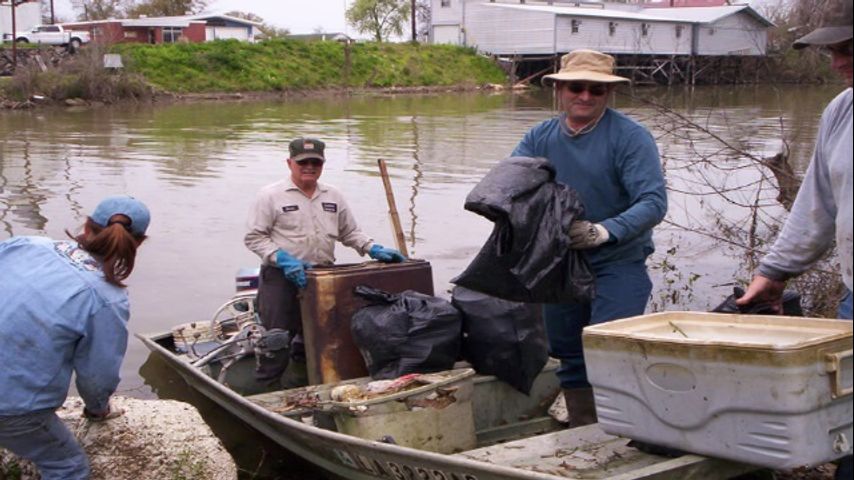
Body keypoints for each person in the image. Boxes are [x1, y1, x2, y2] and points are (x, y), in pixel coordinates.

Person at [512, 49, 667, 427]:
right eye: (576, 87)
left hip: (618, 263)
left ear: (608, 94)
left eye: (595, 90)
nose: (585, 96)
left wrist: (604, 231)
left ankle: (629, 431)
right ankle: (584, 430)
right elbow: (513, 181)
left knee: (610, 348)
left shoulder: (631, 138)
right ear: (560, 90)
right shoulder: (539, 136)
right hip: (561, 264)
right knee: (568, 351)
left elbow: (653, 202)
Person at [737, 2, 852, 478]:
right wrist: (774, 272)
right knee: (849, 431)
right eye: (832, 50)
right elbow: (817, 206)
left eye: (848, 48)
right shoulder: (841, 110)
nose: (837, 61)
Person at [0, 195, 151, 480]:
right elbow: (97, 378)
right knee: (68, 466)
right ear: (139, 243)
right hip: (11, 407)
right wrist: (98, 410)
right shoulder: (107, 297)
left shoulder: (26, 244)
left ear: (86, 225)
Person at [245, 137, 405, 385]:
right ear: (289, 163)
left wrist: (372, 248)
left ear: (322, 164)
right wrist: (283, 259)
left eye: (315, 162)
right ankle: (267, 391)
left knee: (319, 337)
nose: (309, 167)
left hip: (321, 278)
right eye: (303, 162)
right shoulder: (270, 195)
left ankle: (306, 382)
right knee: (276, 340)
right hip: (280, 277)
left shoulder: (334, 196)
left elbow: (350, 232)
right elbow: (254, 237)